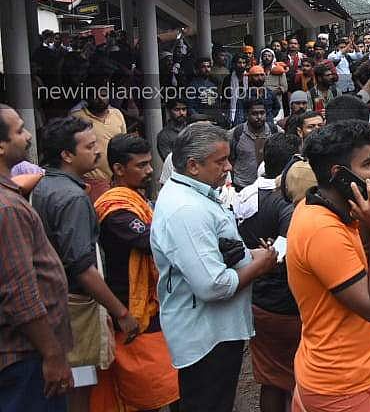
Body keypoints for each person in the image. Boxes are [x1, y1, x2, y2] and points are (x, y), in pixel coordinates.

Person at [150, 122, 277, 412]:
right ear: (193, 166)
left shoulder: (196, 195)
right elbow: (213, 285)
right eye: (221, 161)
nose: (229, 167)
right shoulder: (186, 209)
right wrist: (260, 266)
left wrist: (252, 255)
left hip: (214, 331)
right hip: (206, 337)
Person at [33, 117, 140, 410]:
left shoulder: (44, 185)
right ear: (67, 155)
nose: (97, 152)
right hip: (75, 307)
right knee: (78, 388)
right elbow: (82, 266)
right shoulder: (71, 198)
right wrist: (121, 312)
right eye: (90, 146)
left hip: (55, 300)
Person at [287, 121, 370, 412]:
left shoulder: (324, 209)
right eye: (368, 163)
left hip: (344, 375)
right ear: (338, 174)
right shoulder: (323, 230)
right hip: (341, 388)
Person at [93, 135, 179, 412]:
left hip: (149, 308)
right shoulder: (116, 209)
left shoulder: (135, 200)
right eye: (141, 165)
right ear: (118, 169)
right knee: (146, 392)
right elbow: (152, 242)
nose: (150, 170)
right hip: (131, 312)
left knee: (160, 386)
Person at [0, 106, 74, 411]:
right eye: (19, 130)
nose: (29, 135)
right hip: (26, 355)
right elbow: (19, 293)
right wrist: (52, 354)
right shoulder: (7, 209)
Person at [236, 133, 301, 412]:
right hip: (288, 305)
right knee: (297, 378)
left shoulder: (243, 194)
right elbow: (286, 254)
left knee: (271, 380)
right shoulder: (287, 203)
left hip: (258, 299)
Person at [71, 86, 127, 202]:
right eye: (94, 94)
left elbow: (124, 145)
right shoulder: (77, 117)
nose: (99, 98)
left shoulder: (117, 114)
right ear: (86, 97)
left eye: (103, 94)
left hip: (117, 179)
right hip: (92, 181)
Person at [229, 98, 275, 191]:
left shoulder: (274, 131)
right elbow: (229, 158)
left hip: (268, 185)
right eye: (254, 113)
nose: (259, 117)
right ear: (247, 115)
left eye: (262, 113)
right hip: (242, 186)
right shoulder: (236, 133)